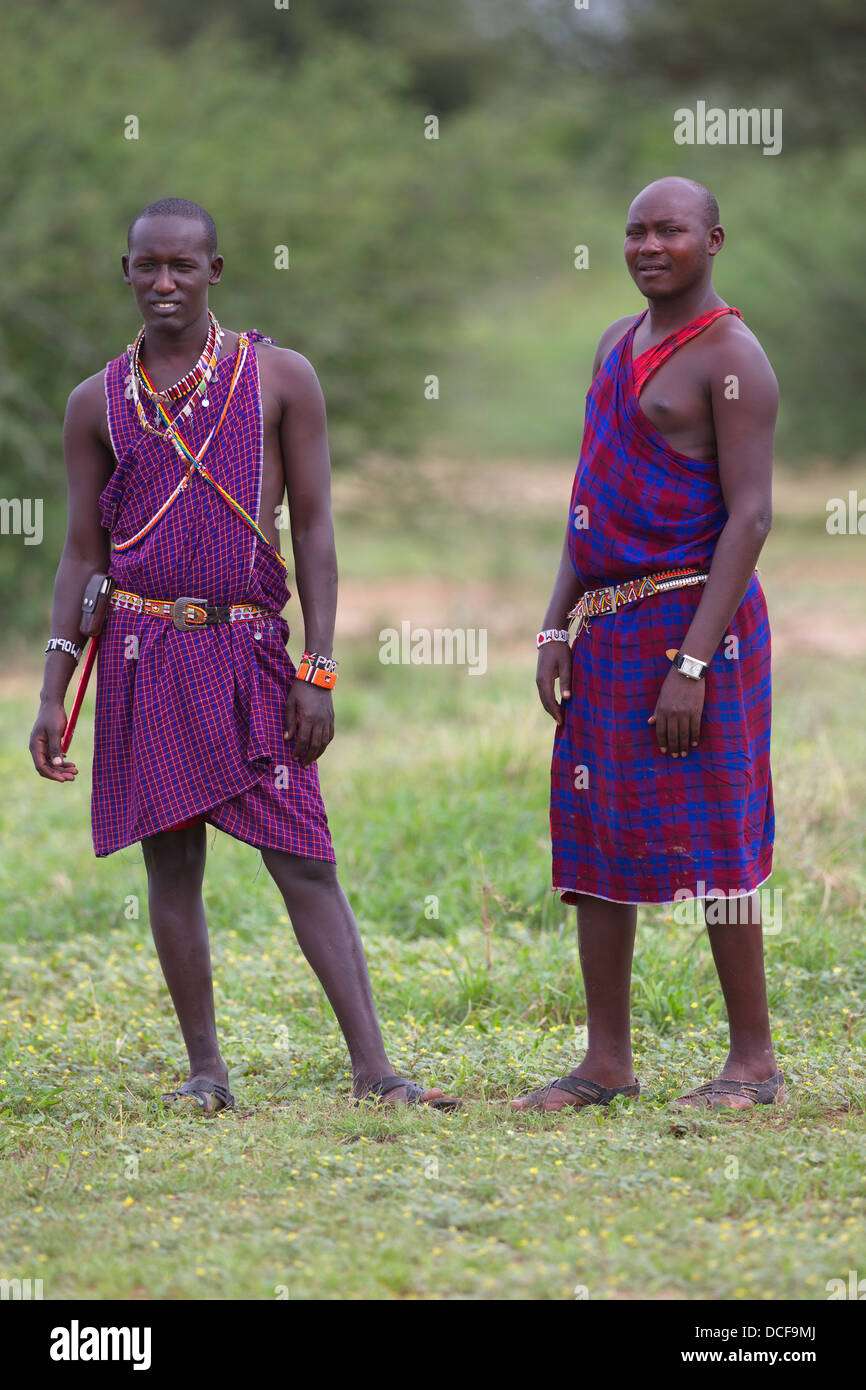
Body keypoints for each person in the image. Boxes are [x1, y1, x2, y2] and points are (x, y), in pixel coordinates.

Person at [30, 197, 458, 1116]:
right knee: (170, 861)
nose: (165, 282)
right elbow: (80, 555)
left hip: (250, 650)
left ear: (214, 272)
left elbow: (315, 527)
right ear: (126, 272)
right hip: (141, 651)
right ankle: (206, 1072)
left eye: (183, 266)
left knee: (304, 858)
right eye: (148, 266)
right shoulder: (95, 403)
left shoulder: (278, 377)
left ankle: (377, 1070)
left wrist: (319, 667)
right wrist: (52, 688)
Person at [514, 176, 780, 1113]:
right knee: (599, 836)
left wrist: (693, 665)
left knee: (720, 834)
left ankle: (753, 1062)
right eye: (635, 231)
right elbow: (588, 500)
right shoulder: (614, 344)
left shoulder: (732, 357)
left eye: (670, 230)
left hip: (699, 624)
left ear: (714, 240)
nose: (649, 246)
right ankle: (606, 1061)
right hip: (608, 626)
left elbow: (750, 518)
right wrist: (559, 621)